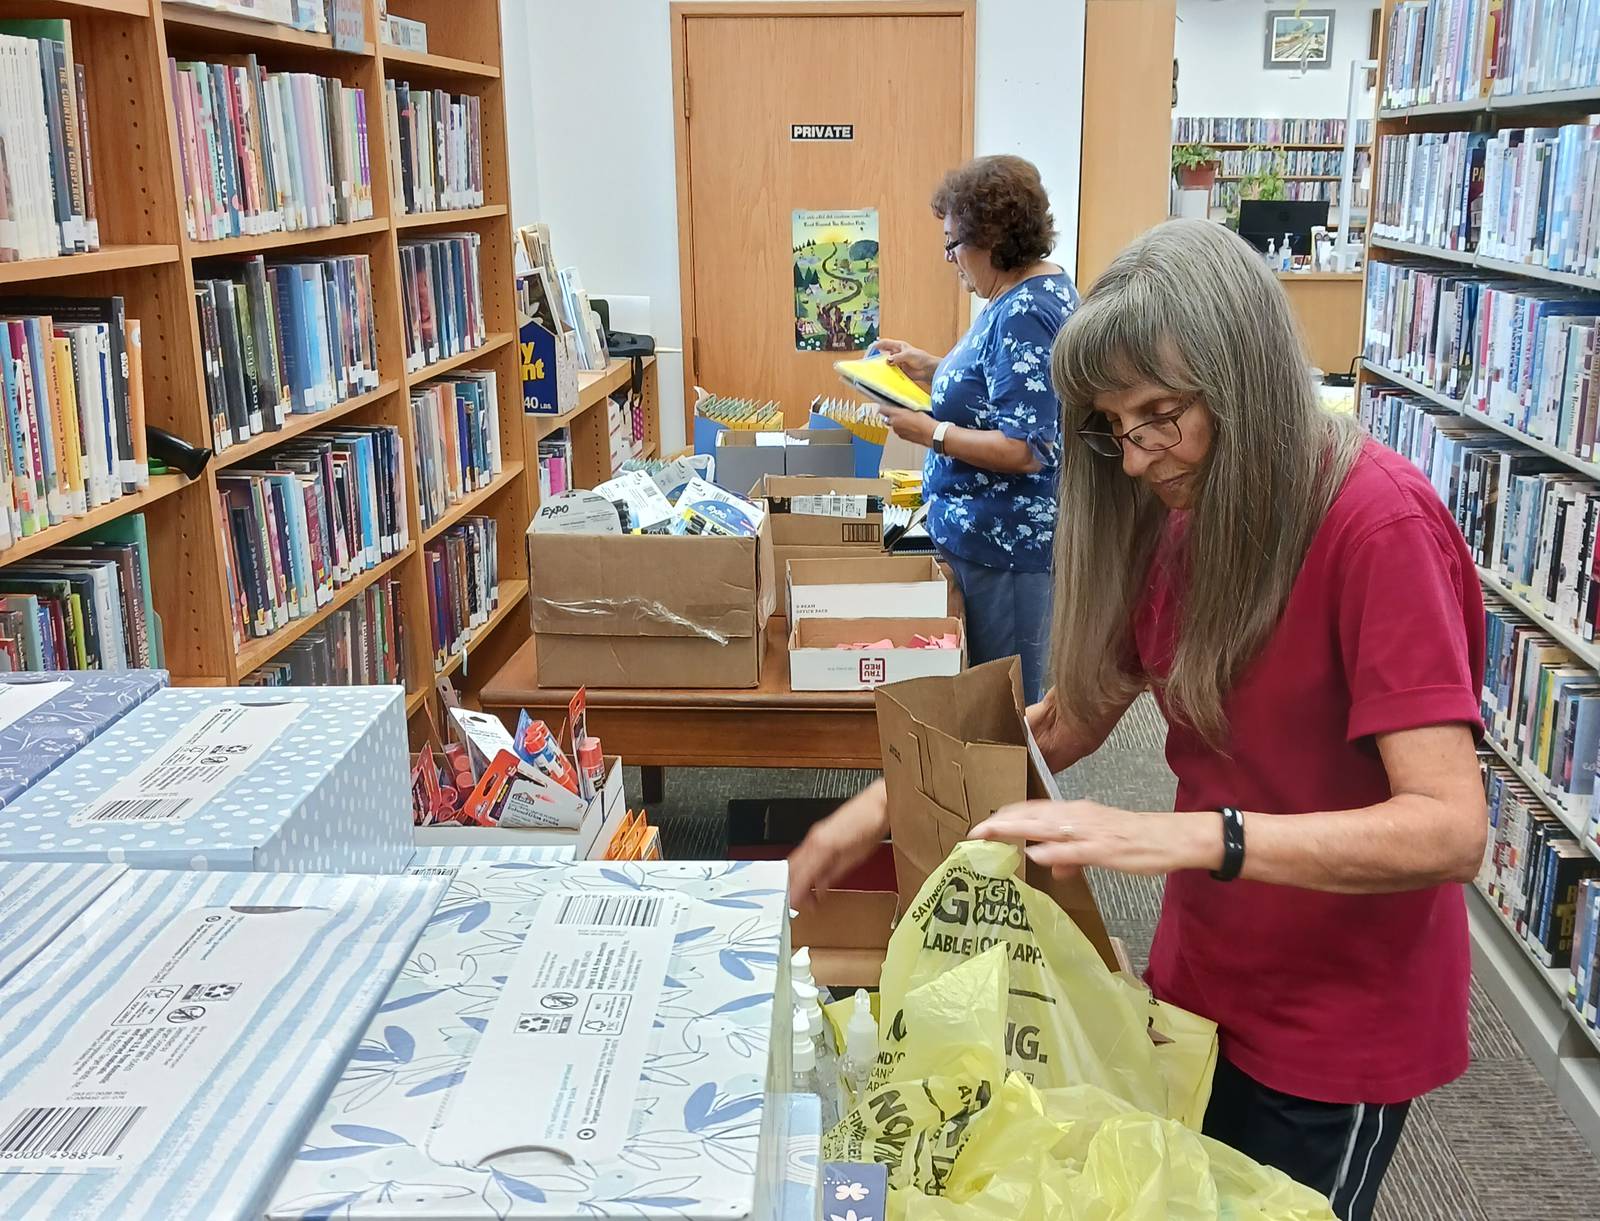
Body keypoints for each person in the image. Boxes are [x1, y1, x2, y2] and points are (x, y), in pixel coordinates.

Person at [790, 219, 1486, 1221]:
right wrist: (874, 808)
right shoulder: (1180, 510)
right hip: (1201, 984)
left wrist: (1170, 835)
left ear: (1243, 384)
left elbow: (1448, 824)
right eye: (1113, 426)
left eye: (1162, 415)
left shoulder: (1378, 527)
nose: (1135, 457)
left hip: (1336, 1019)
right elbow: (1069, 720)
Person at [870, 154, 1078, 703]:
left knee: (1007, 710)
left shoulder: (1024, 312)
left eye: (953, 244)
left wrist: (928, 433)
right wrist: (931, 366)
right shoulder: (1018, 296)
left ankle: (1013, 793)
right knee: (990, 701)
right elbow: (1003, 388)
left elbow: (1028, 446)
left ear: (992, 238)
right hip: (985, 540)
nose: (950, 259)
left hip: (1005, 546)